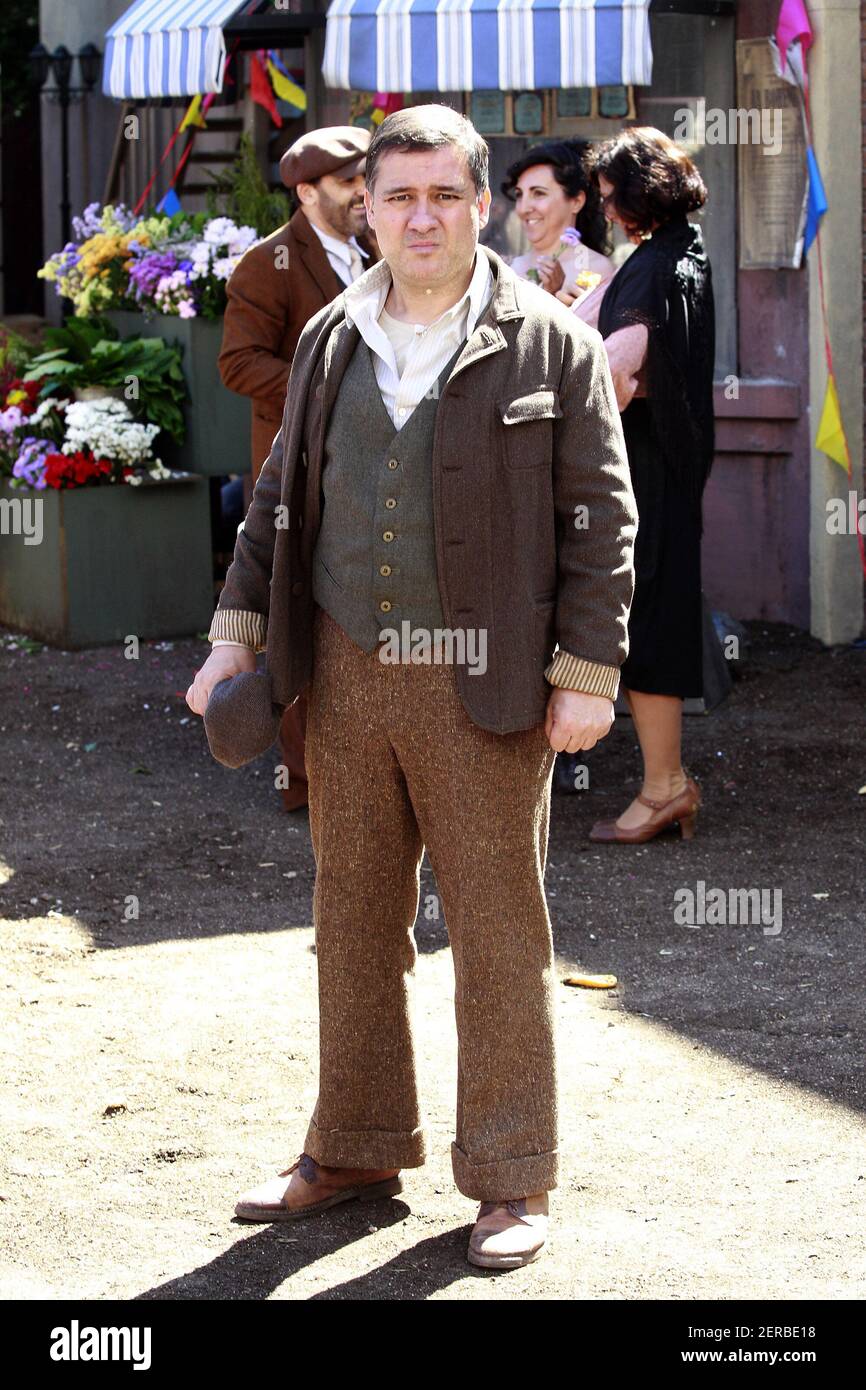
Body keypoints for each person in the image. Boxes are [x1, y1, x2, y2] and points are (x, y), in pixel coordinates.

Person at [186, 105, 637, 1271]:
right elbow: (280, 502)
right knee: (348, 926)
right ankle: (354, 1145)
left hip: (485, 683)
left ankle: (507, 1175)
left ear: (479, 203)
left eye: (445, 194)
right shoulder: (333, 335)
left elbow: (600, 525)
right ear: (366, 207)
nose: (421, 216)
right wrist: (232, 642)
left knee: (495, 932)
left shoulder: (550, 340)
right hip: (339, 672)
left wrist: (586, 676)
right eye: (399, 196)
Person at [215, 126, 379, 812]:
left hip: (368, 468)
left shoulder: (378, 248)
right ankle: (304, 783)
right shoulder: (267, 262)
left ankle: (361, 763)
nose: (365, 194)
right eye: (349, 184)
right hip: (294, 477)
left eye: (367, 180)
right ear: (307, 192)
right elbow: (237, 363)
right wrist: (327, 386)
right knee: (294, 621)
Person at [581, 127, 716, 844]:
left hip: (647, 469)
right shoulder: (685, 253)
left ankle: (666, 786)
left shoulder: (652, 268)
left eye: (609, 196)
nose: (606, 210)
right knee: (654, 613)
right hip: (674, 464)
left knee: (649, 619)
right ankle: (668, 784)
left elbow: (615, 369)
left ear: (637, 194)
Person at [502, 140, 614, 307]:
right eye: (519, 195)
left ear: (576, 201)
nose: (523, 208)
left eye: (538, 193)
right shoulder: (508, 270)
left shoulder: (598, 271)